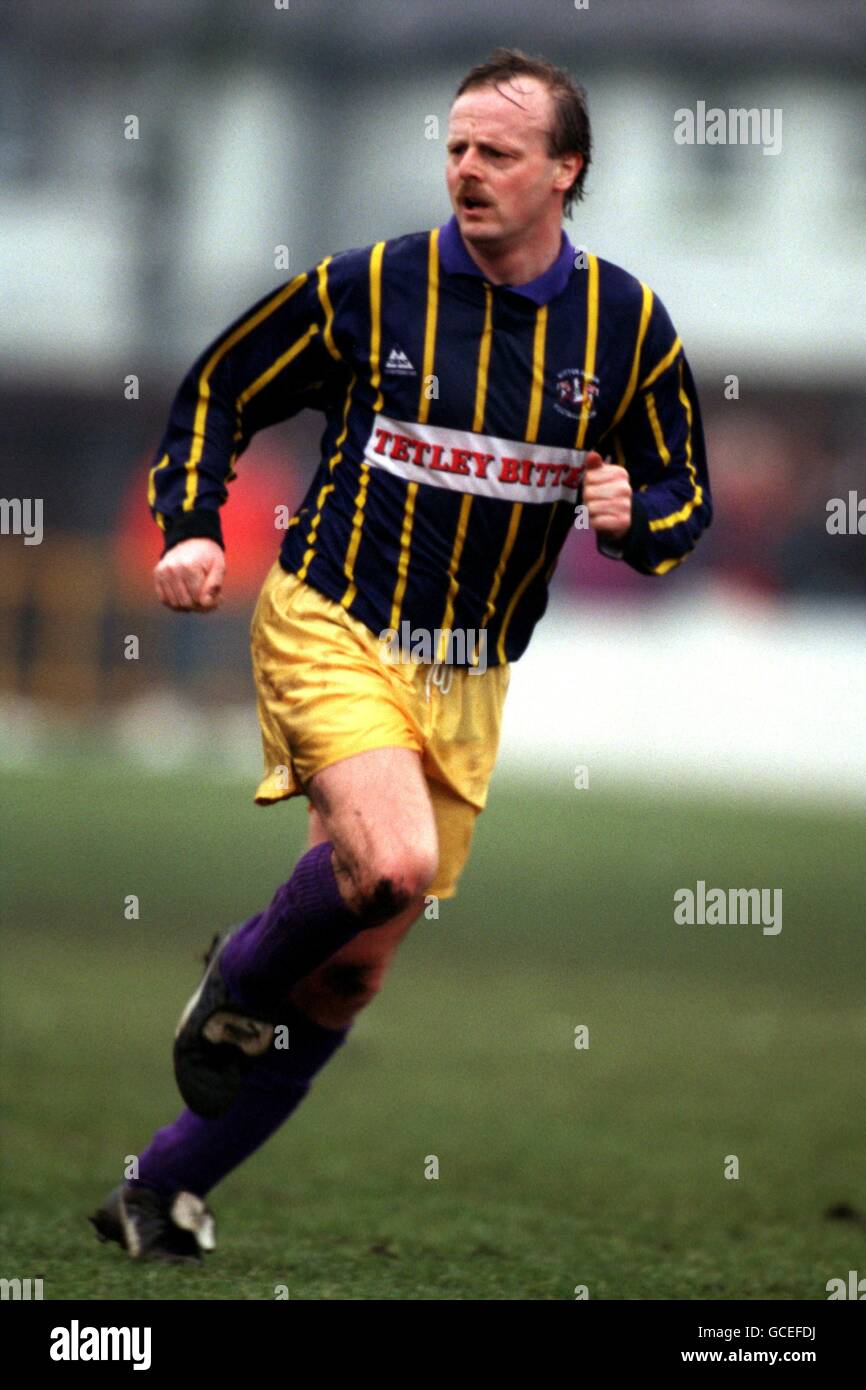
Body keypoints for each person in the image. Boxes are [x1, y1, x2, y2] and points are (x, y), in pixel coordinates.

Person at [91, 46, 712, 1263]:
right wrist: (193, 526)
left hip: (468, 674)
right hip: (331, 620)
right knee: (390, 861)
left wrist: (642, 519)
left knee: (348, 978)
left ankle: (159, 1187)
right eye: (456, 147)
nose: (467, 170)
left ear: (563, 173)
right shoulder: (369, 287)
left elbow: (685, 492)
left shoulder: (627, 326)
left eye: (498, 152)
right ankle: (232, 981)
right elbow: (220, 385)